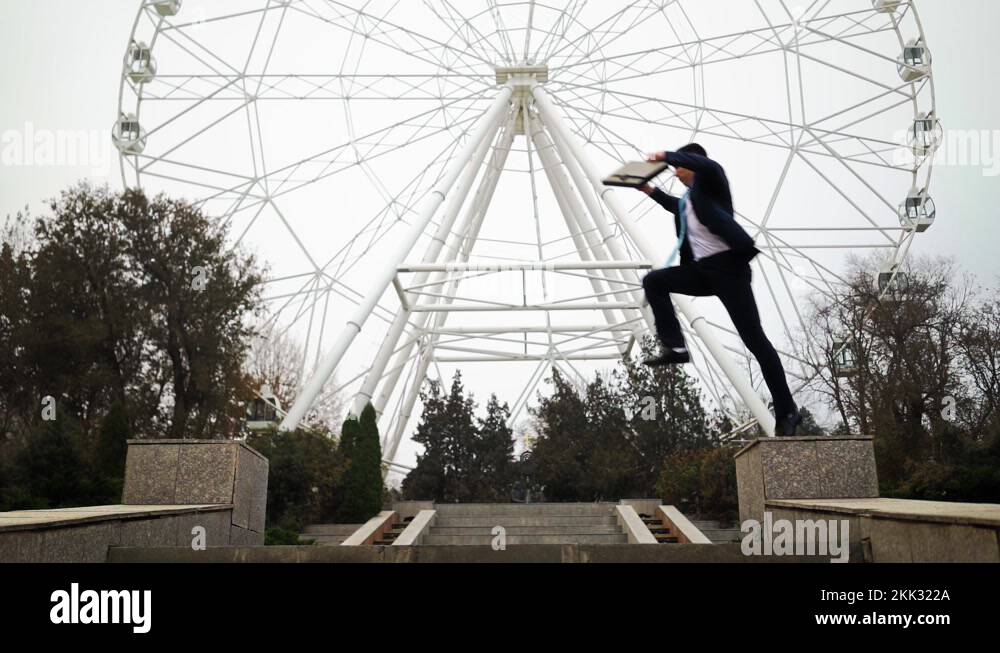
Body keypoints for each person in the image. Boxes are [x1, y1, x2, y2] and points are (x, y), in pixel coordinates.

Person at [638, 143, 802, 437]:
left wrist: (665, 156)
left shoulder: (712, 182)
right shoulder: (688, 200)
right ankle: (675, 346)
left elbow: (710, 168)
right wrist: (647, 190)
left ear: (694, 162)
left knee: (755, 341)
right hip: (701, 272)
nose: (674, 173)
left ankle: (787, 410)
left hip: (729, 271)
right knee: (654, 281)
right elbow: (673, 205)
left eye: (679, 167)